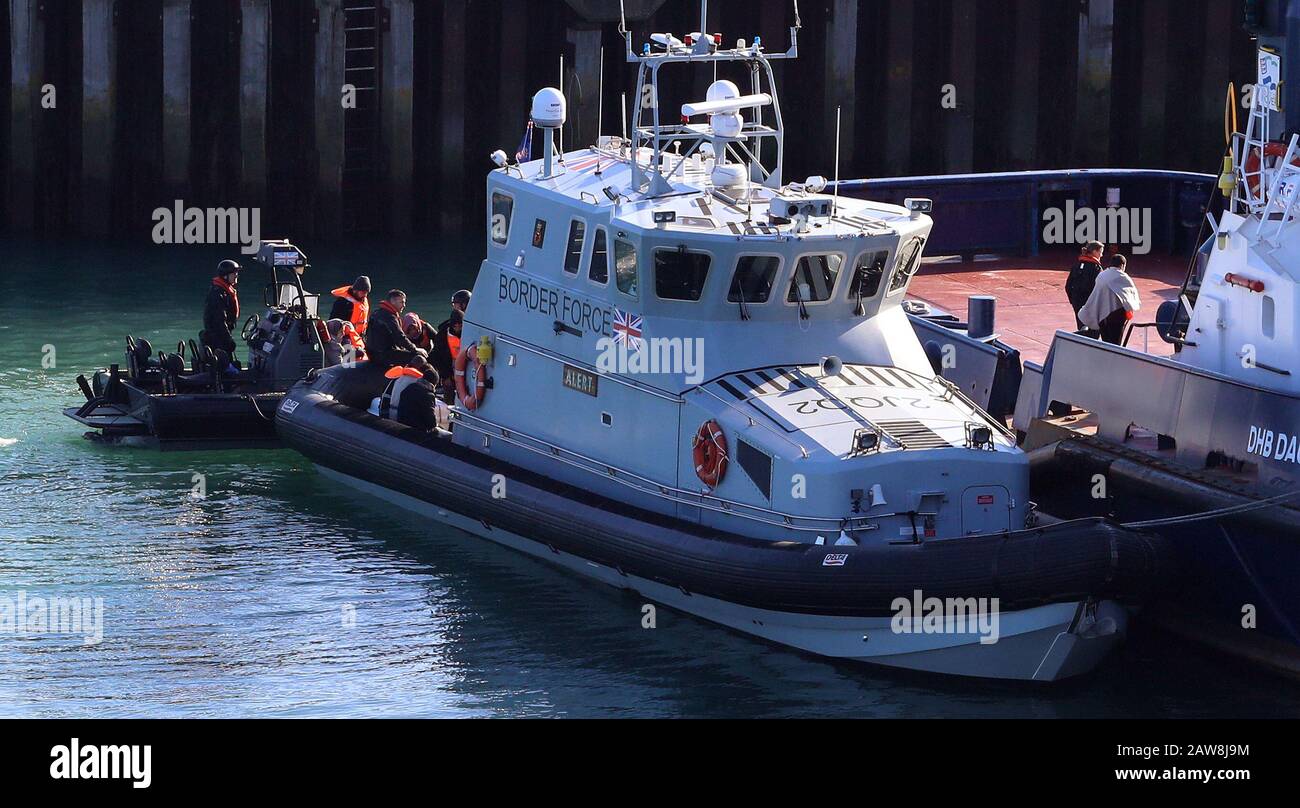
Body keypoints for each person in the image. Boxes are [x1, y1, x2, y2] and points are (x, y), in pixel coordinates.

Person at [1080, 254, 1141, 346]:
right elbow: (1131, 297)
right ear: (1122, 265)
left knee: (1106, 341)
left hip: (1101, 314)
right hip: (1116, 315)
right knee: (1116, 343)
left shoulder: (1101, 275)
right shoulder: (1123, 277)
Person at [365, 289, 430, 373]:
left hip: (372, 354)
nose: (404, 305)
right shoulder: (389, 317)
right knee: (418, 357)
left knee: (404, 352)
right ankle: (408, 378)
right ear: (393, 301)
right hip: (383, 355)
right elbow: (400, 337)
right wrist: (415, 349)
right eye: (401, 302)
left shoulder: (376, 313)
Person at [201, 259, 241, 359]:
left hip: (220, 336)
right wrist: (228, 340)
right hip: (218, 339)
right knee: (225, 364)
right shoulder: (218, 294)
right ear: (225, 276)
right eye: (234, 273)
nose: (236, 275)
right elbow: (219, 321)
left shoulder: (225, 291)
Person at [1065, 240, 1105, 335]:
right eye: (1100, 252)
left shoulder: (1076, 265)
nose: (1101, 255)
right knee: (1093, 332)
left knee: (1082, 327)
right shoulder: (1096, 268)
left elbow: (1068, 285)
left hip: (1077, 302)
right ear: (1094, 252)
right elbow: (1099, 287)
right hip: (1090, 304)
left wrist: (1073, 300)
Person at [431, 309, 462, 402]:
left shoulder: (469, 333)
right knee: (448, 390)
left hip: (464, 366)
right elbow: (437, 357)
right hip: (448, 367)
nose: (457, 328)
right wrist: (445, 376)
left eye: (460, 326)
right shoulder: (442, 336)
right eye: (455, 326)